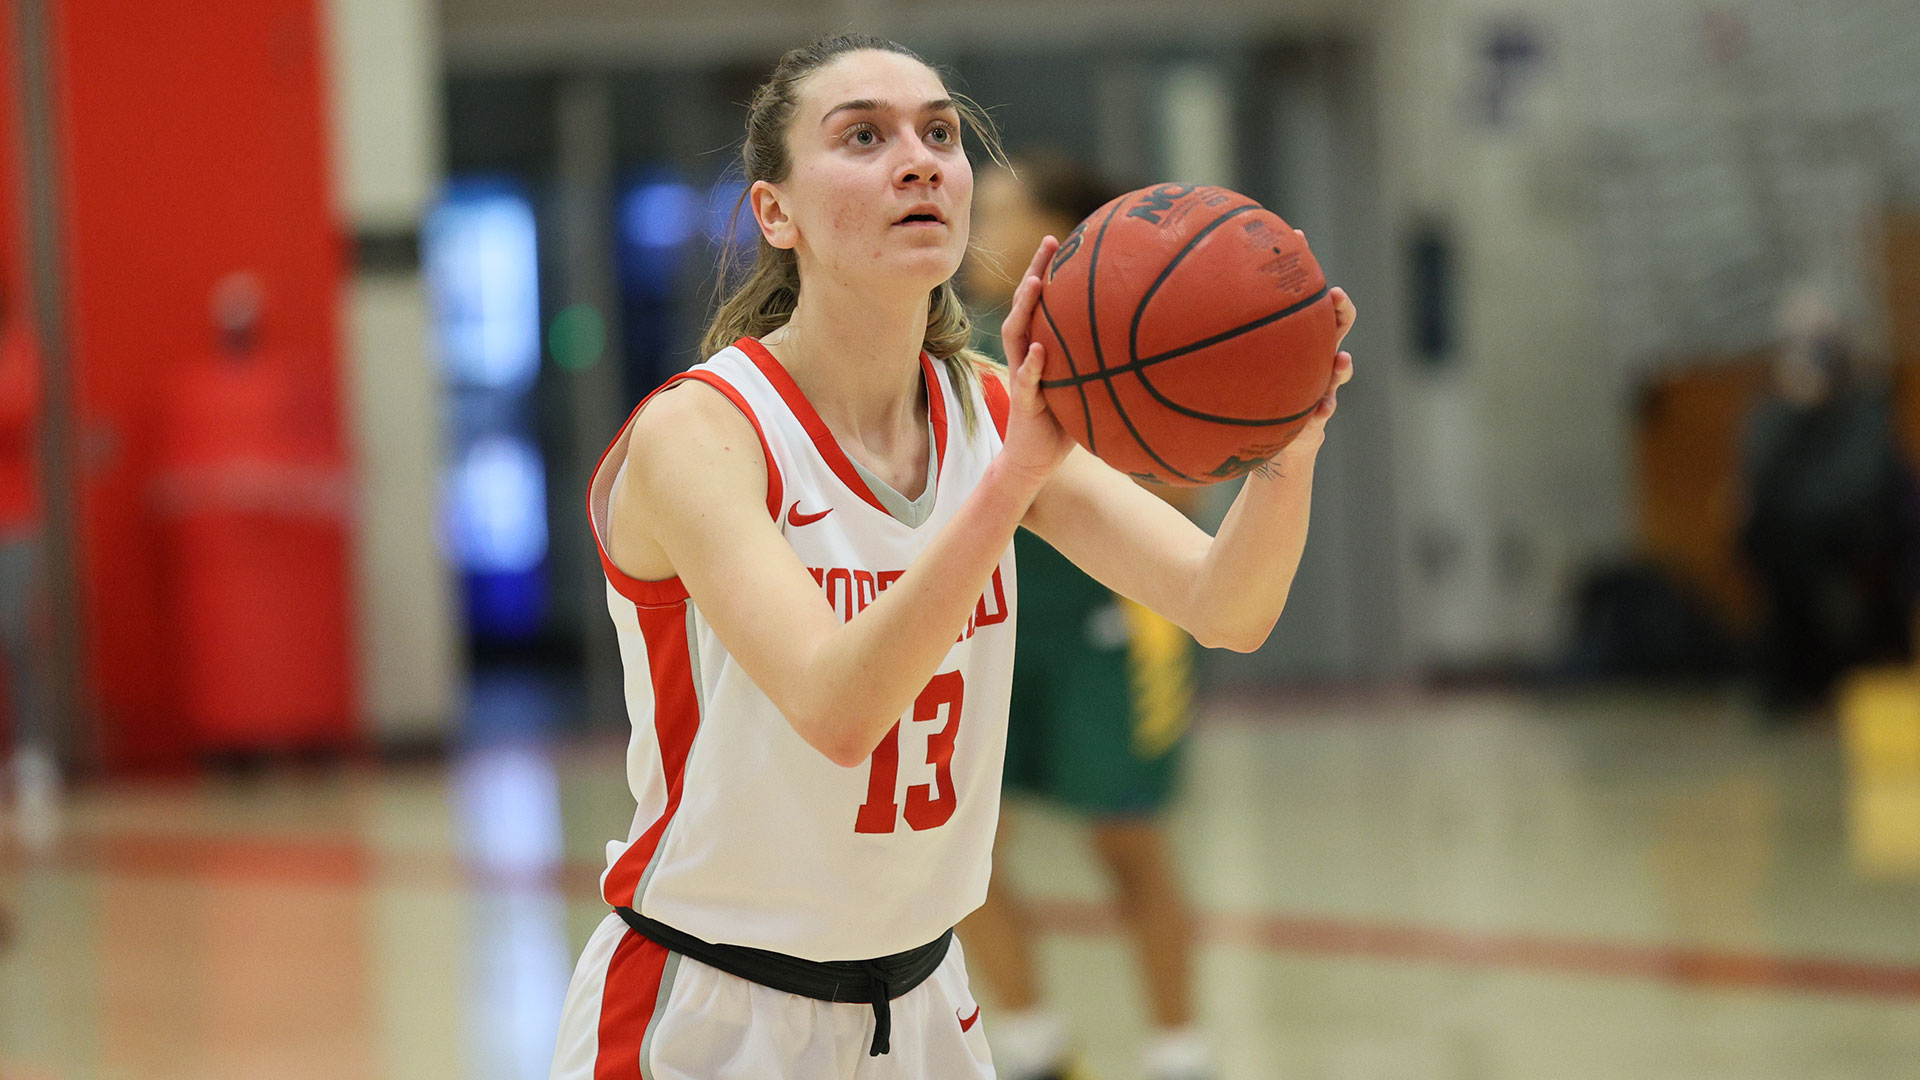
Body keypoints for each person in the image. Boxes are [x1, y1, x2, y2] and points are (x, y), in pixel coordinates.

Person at [549, 34, 1355, 1080]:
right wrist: (1009, 483)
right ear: (776, 213)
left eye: (940, 132)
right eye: (863, 137)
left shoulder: (982, 406)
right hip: (709, 1010)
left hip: (923, 1010)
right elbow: (839, 711)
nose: (921, 159)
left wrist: (1286, 458)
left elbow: (1225, 605)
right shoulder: (702, 435)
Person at [958, 157, 1211, 1080]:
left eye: (1000, 209)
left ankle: (1180, 1055)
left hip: (1108, 622)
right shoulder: (955, 339)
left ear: (1058, 230)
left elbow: (1186, 480)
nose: (975, 224)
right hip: (988, 623)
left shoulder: (1123, 333)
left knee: (1128, 840)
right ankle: (1033, 1046)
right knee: (964, 847)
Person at [1738, 289, 1917, 718]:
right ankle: (1805, 662)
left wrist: (1793, 502)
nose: (1809, 355)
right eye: (1797, 343)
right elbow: (1758, 476)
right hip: (1795, 539)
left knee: (1783, 534)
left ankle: (1812, 666)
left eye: (1818, 342)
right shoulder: (1774, 411)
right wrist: (1796, 413)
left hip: (1854, 530)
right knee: (1771, 534)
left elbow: (1857, 488)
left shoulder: (1867, 404)